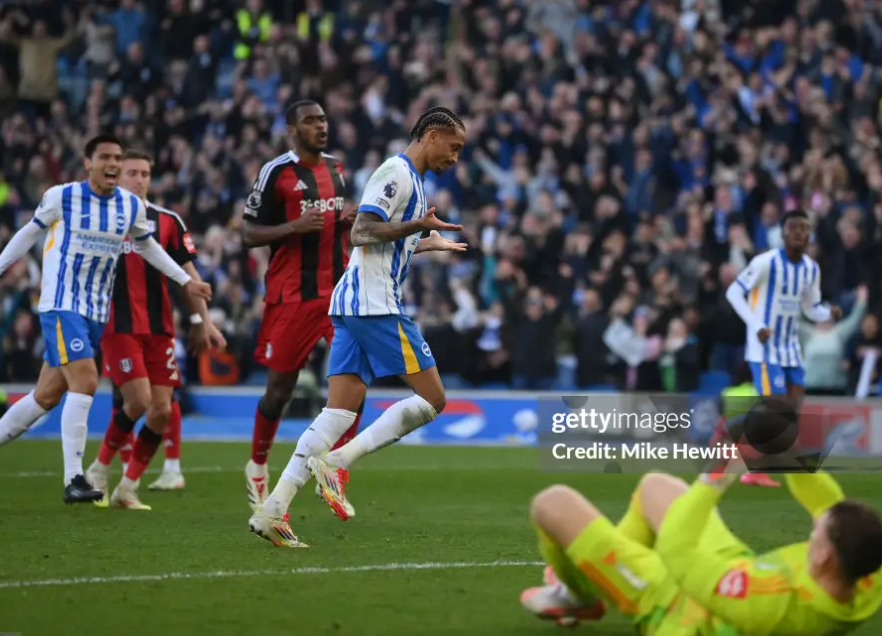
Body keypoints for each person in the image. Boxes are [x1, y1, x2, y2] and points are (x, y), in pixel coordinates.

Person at [248, 105, 469, 547]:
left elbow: (385, 241)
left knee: (339, 413)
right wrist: (414, 225)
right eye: (454, 146)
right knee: (434, 398)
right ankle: (337, 463)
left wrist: (423, 242)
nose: (455, 157)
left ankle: (272, 510)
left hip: (352, 304)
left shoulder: (414, 181)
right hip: (375, 306)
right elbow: (362, 232)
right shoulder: (397, 172)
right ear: (431, 136)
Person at [0, 134, 212, 503]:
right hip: (61, 304)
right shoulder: (62, 196)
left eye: (117, 157)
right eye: (105, 157)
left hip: (96, 311)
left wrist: (185, 281)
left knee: (46, 396)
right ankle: (74, 479)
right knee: (86, 380)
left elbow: (147, 246)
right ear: (88, 163)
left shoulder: (129, 206)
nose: (112, 163)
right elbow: (28, 234)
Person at [521, 468, 882, 634]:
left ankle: (581, 595)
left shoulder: (770, 607)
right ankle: (595, 577)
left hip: (683, 608)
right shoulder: (866, 573)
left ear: (822, 556)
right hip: (736, 565)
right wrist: (789, 448)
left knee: (552, 503)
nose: (812, 530)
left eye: (816, 534)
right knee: (656, 485)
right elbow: (827, 505)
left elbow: (677, 551)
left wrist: (715, 478)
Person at [241, 99, 365, 513]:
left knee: (356, 380)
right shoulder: (276, 172)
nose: (320, 126)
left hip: (337, 292)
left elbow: (333, 225)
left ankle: (334, 470)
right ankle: (258, 465)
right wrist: (292, 226)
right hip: (292, 296)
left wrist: (344, 223)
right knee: (279, 391)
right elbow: (248, 234)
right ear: (292, 130)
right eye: (310, 121)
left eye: (323, 119)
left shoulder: (335, 168)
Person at [85, 149, 226, 510]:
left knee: (161, 409)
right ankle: (98, 470)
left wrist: (204, 321)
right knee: (138, 401)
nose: (139, 180)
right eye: (132, 173)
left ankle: (127, 487)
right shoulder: (99, 219)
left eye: (145, 174)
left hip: (159, 328)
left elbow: (189, 278)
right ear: (118, 176)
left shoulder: (167, 221)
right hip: (117, 325)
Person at [723, 210, 841, 487]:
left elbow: (810, 308)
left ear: (810, 235)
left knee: (791, 409)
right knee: (776, 407)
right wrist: (756, 324)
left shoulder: (811, 269)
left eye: (804, 228)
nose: (799, 233)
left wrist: (828, 313)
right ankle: (734, 439)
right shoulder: (765, 263)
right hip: (764, 349)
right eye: (793, 228)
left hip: (791, 349)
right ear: (783, 233)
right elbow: (733, 292)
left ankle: (758, 466)